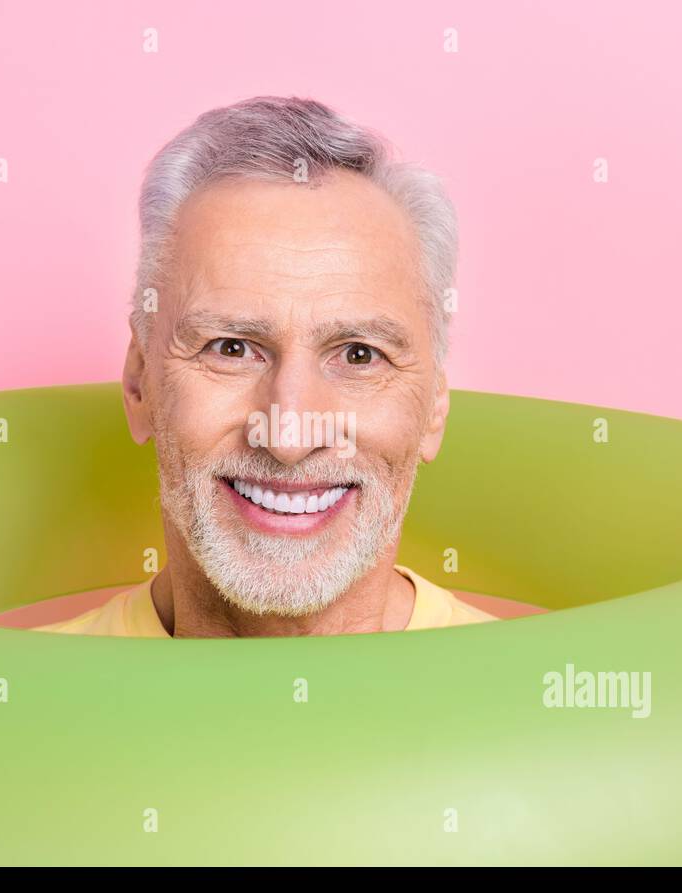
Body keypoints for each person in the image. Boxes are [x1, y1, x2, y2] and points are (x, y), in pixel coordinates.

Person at [38, 95, 494, 638]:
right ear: (139, 386)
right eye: (230, 348)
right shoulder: (12, 709)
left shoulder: (533, 702)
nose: (289, 436)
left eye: (359, 354)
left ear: (435, 407)